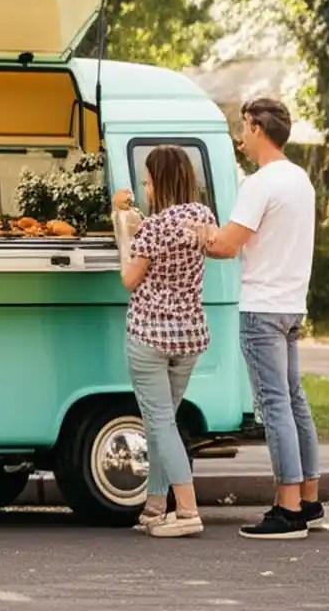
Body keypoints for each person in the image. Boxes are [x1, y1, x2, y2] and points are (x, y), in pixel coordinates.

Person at [201, 97, 322, 540]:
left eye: (243, 128)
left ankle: (287, 510)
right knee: (294, 401)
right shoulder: (300, 180)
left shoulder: (259, 183)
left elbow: (226, 245)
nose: (241, 138)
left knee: (274, 407)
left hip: (262, 308)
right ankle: (309, 498)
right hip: (292, 304)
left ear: (256, 127)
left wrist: (202, 234)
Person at [114, 146, 217, 539]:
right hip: (189, 336)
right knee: (164, 424)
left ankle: (188, 510)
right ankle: (155, 506)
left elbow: (129, 279)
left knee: (158, 422)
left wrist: (127, 236)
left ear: (158, 181)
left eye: (147, 180)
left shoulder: (154, 228)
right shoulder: (202, 217)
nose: (145, 186)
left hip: (149, 336)